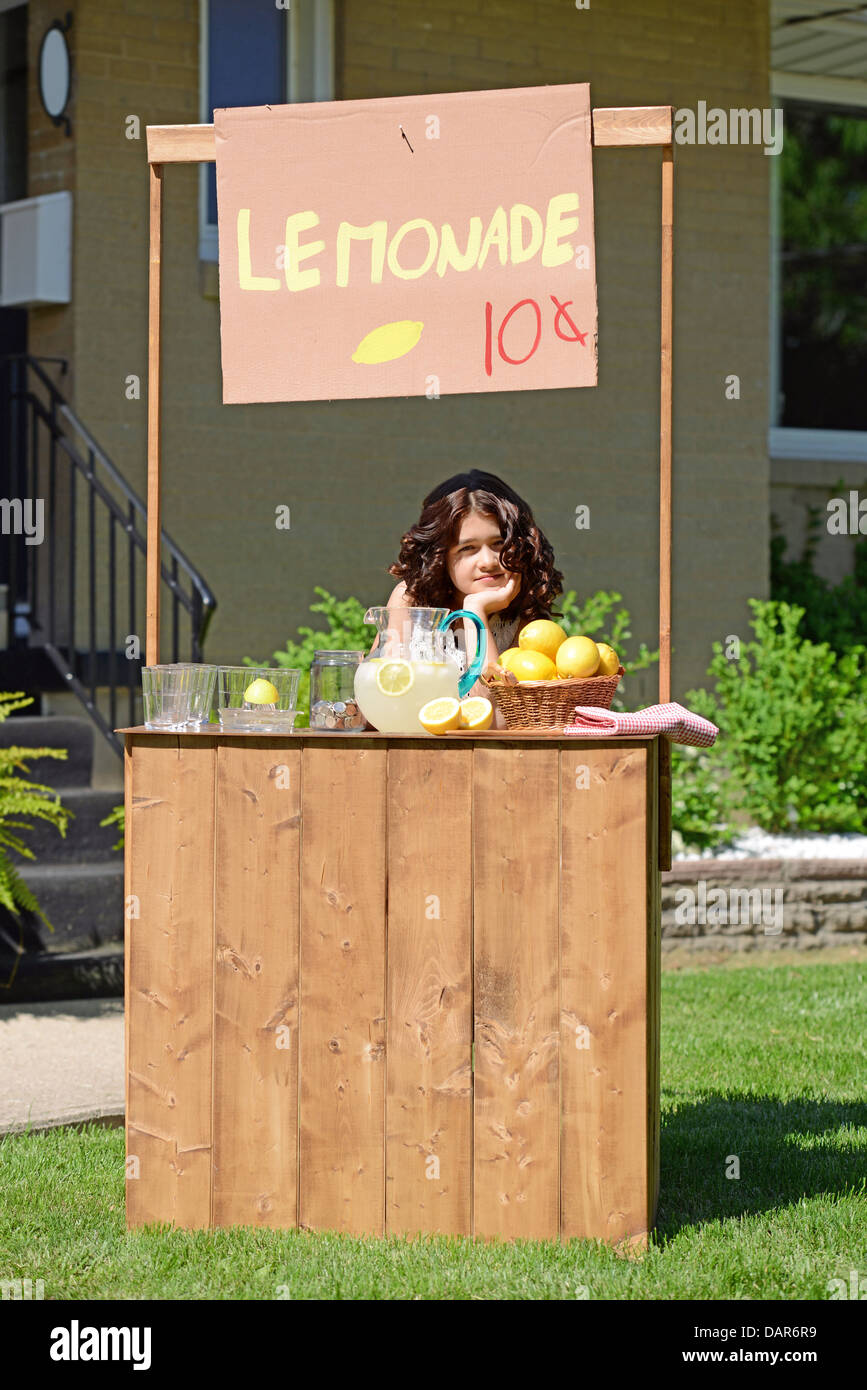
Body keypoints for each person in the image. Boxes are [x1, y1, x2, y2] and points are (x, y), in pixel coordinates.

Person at [379, 469, 565, 729]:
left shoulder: (526, 620)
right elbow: (380, 699)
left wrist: (475, 612)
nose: (488, 562)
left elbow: (493, 721)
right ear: (440, 555)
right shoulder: (409, 600)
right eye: (468, 548)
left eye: (499, 544)